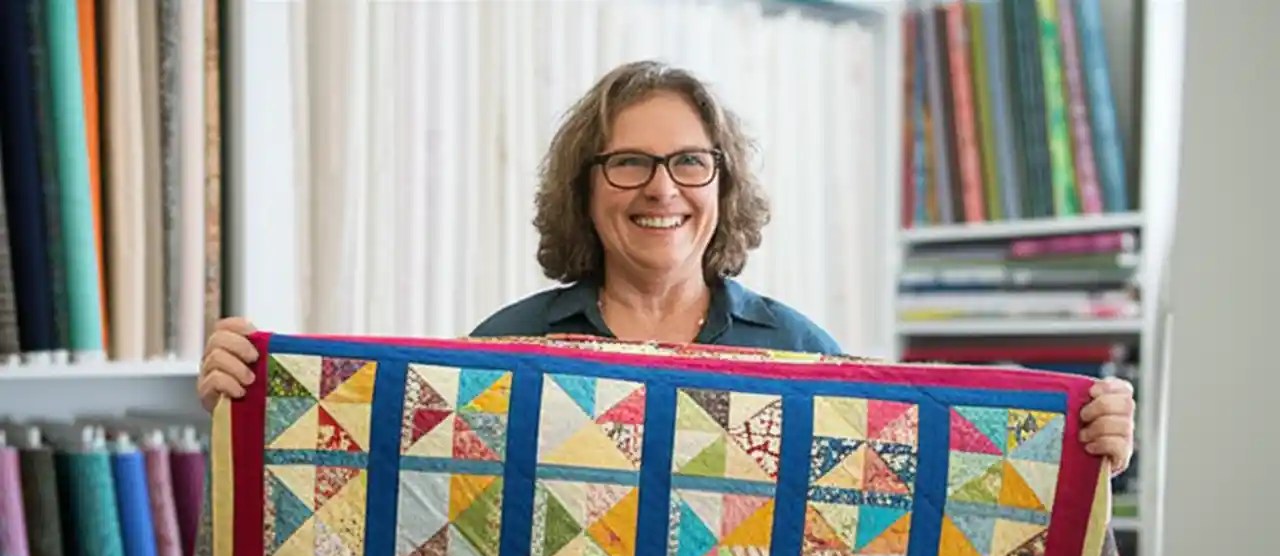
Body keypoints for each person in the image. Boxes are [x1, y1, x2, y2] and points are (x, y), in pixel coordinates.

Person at [198, 60, 1136, 474]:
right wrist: (261, 392)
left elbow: (907, 488)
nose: (663, 188)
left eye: (691, 161)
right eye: (629, 162)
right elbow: (398, 486)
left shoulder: (801, 352)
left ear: (721, 182)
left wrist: (1075, 441)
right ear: (588, 183)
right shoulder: (510, 345)